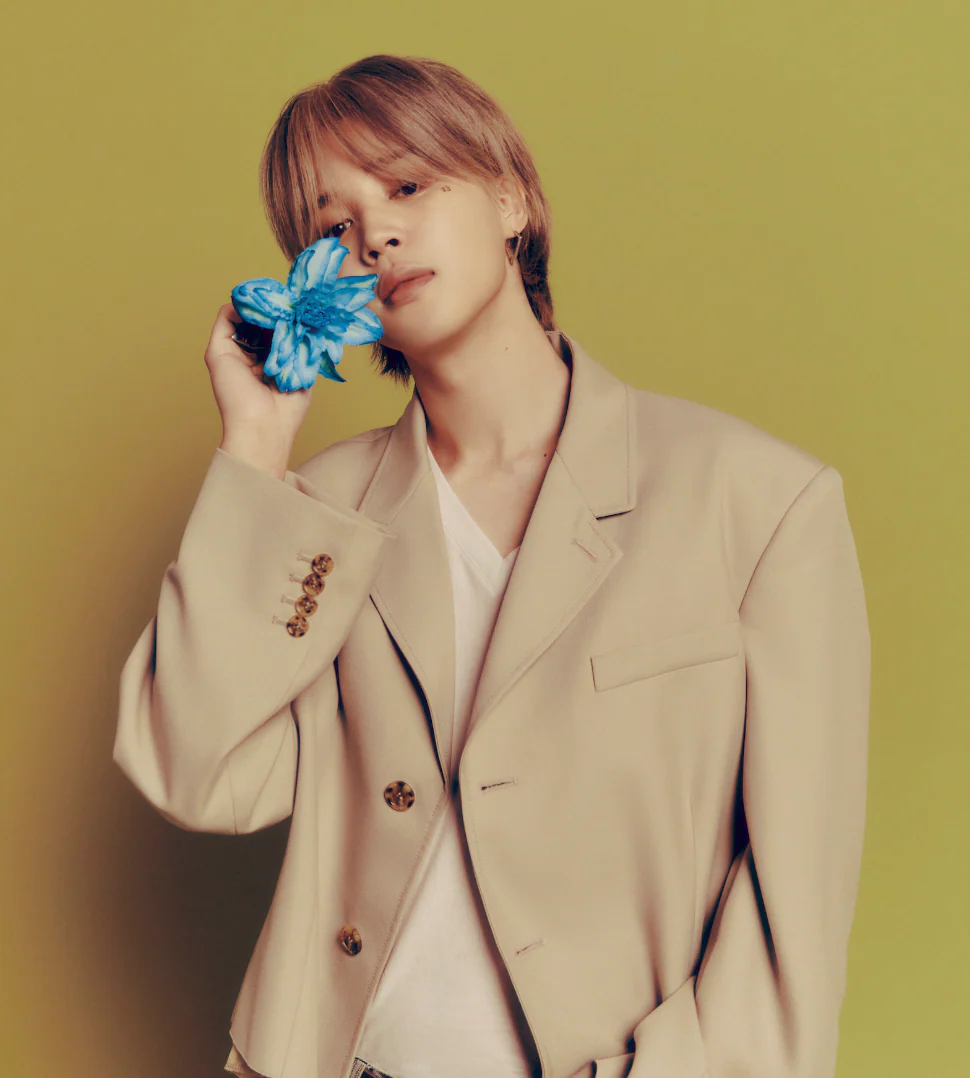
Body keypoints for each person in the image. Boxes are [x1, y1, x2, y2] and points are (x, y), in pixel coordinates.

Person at [112, 54, 871, 1078]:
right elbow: (195, 771)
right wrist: (254, 446)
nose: (375, 234)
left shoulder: (760, 502)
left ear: (510, 197)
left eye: (407, 185)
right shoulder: (319, 518)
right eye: (335, 226)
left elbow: (792, 919)